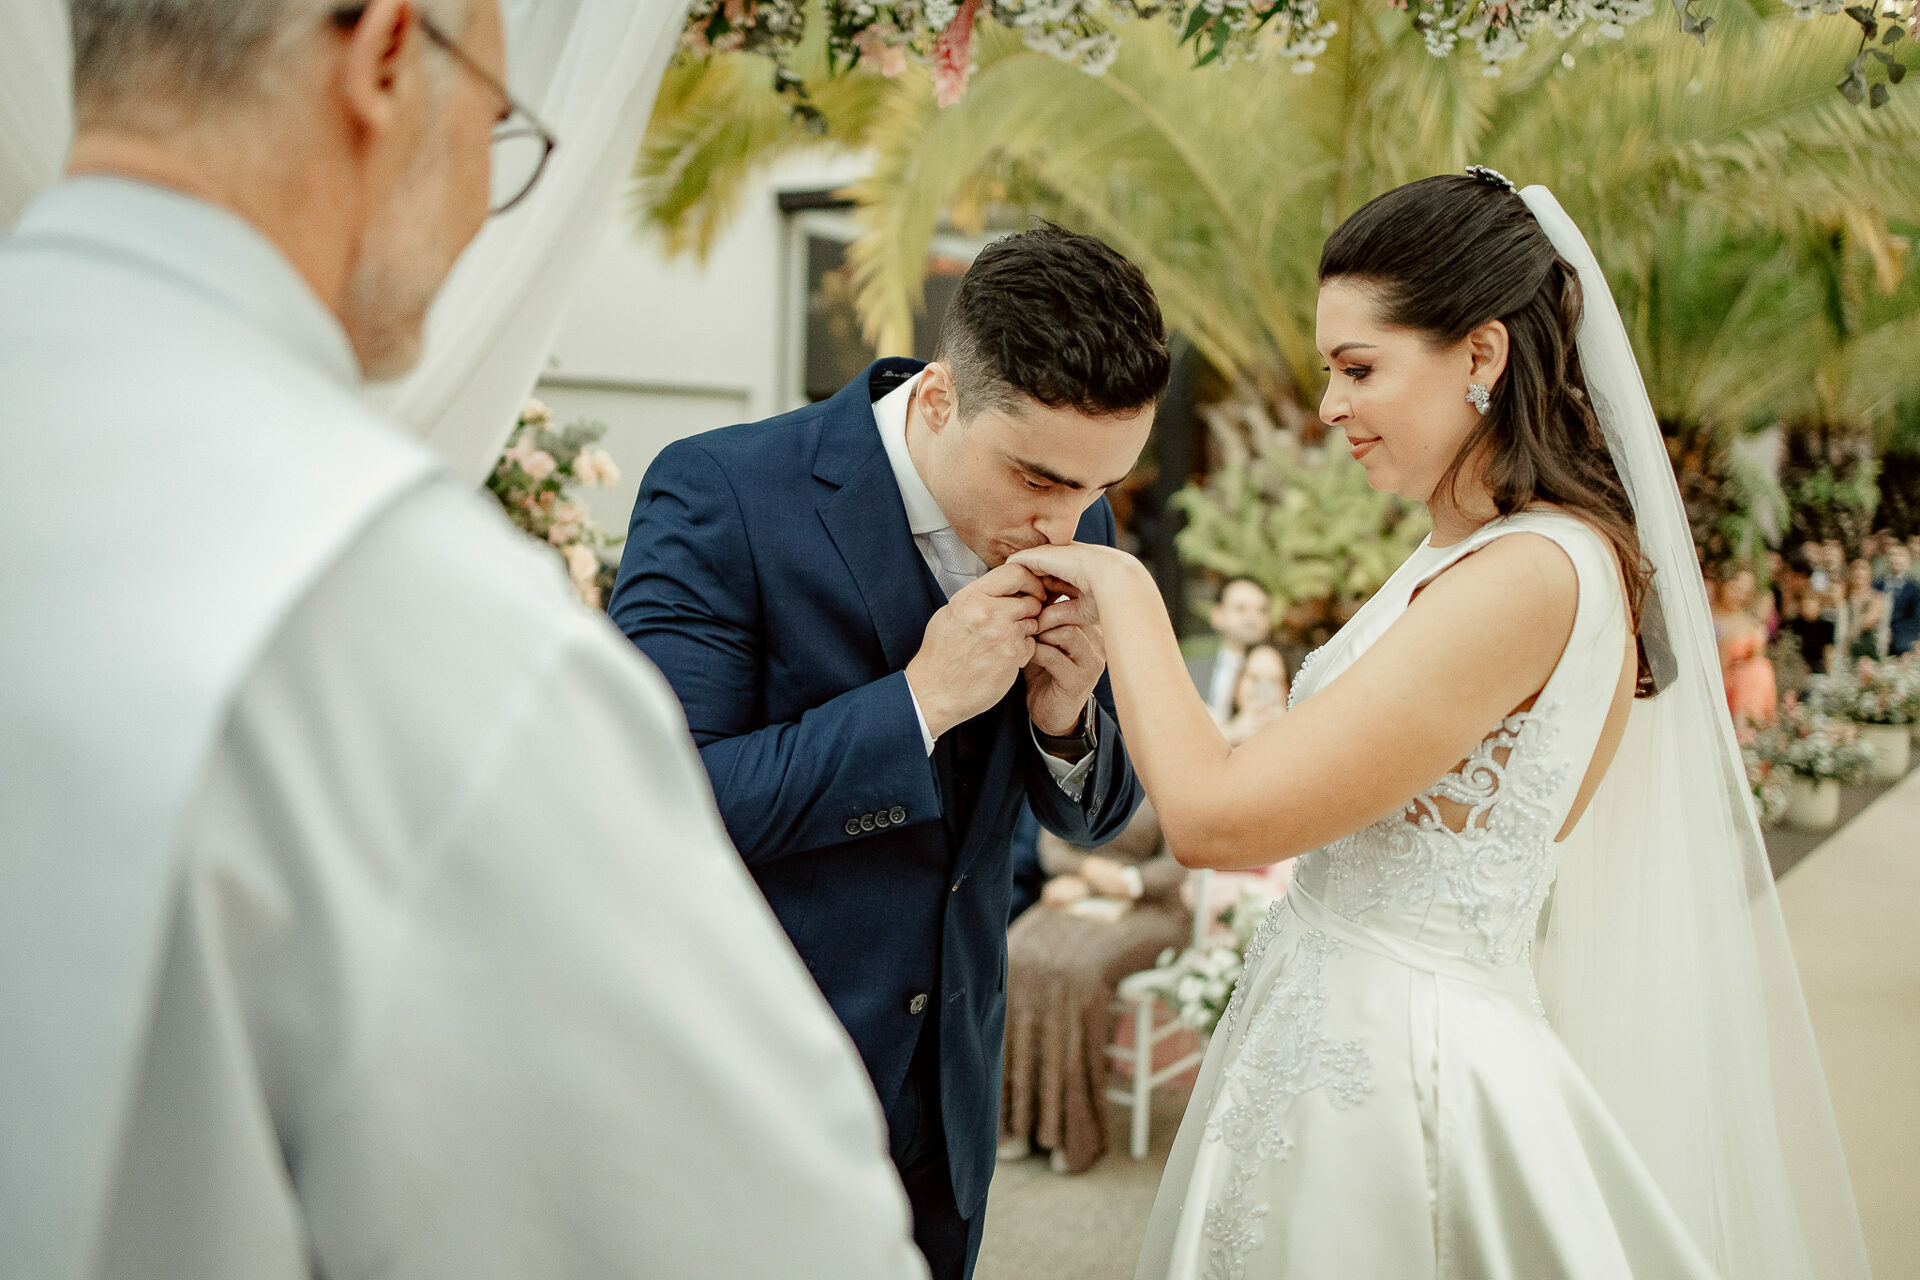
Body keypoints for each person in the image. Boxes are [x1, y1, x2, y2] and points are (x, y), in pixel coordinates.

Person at [0, 3, 930, 1278]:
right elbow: (763, 1237)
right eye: (502, 127)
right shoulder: (403, 615)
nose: (486, 200)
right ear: (388, 56)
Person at [1009, 172, 1868, 1279]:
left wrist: (1124, 589)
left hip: (1390, 1075)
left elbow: (1218, 816)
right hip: (1330, 1034)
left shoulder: (1528, 576)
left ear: (1480, 355)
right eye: (1330, 371)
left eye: (1359, 368)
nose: (1329, 405)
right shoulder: (1467, 557)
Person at [608, 225, 1158, 1280]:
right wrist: (919, 702)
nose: (1064, 519)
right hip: (746, 1086)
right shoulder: (722, 492)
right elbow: (660, 805)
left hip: (946, 1104)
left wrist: (1068, 715)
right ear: (942, 398)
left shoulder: (1080, 505)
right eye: (1036, 476)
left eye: (1100, 487)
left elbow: (1089, 815)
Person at [998, 799, 1191, 1175]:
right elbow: (1051, 847)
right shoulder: (1079, 764)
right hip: (1078, 897)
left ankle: (1071, 1129)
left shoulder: (1164, 774)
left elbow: (1179, 863)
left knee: (1081, 971)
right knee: (1015, 953)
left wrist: (1121, 881)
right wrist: (1087, 872)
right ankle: (1016, 1121)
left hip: (1150, 907)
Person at [1194, 577, 1274, 720]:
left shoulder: (1277, 667)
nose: (1252, 618)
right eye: (1241, 609)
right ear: (1217, 615)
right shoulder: (1190, 667)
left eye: (1261, 610)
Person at [1712, 566, 1777, 725]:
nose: (1739, 596)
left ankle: (1748, 724)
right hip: (1716, 680)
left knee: (1758, 669)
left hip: (1743, 688)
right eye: (1736, 588)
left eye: (1745, 592)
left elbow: (1757, 656)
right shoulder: (1709, 616)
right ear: (1723, 584)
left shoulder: (1750, 623)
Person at [1220, 641, 1290, 745]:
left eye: (1274, 681)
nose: (1263, 690)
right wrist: (1233, 733)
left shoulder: (1295, 733)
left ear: (1286, 688)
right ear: (1238, 681)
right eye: (1255, 678)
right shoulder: (1215, 730)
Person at [1841, 556, 1887, 660]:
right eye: (1855, 568)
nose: (1859, 572)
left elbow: (1868, 621)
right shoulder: (1845, 597)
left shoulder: (1877, 598)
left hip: (1867, 650)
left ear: (1870, 574)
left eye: (1863, 568)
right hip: (1842, 649)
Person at [1884, 542, 1920, 656]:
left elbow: (1916, 619)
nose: (1896, 559)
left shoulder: (1915, 589)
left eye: (1901, 555)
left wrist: (1893, 632)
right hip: (1876, 638)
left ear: (1908, 561)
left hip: (1903, 640)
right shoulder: (1876, 585)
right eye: (1892, 555)